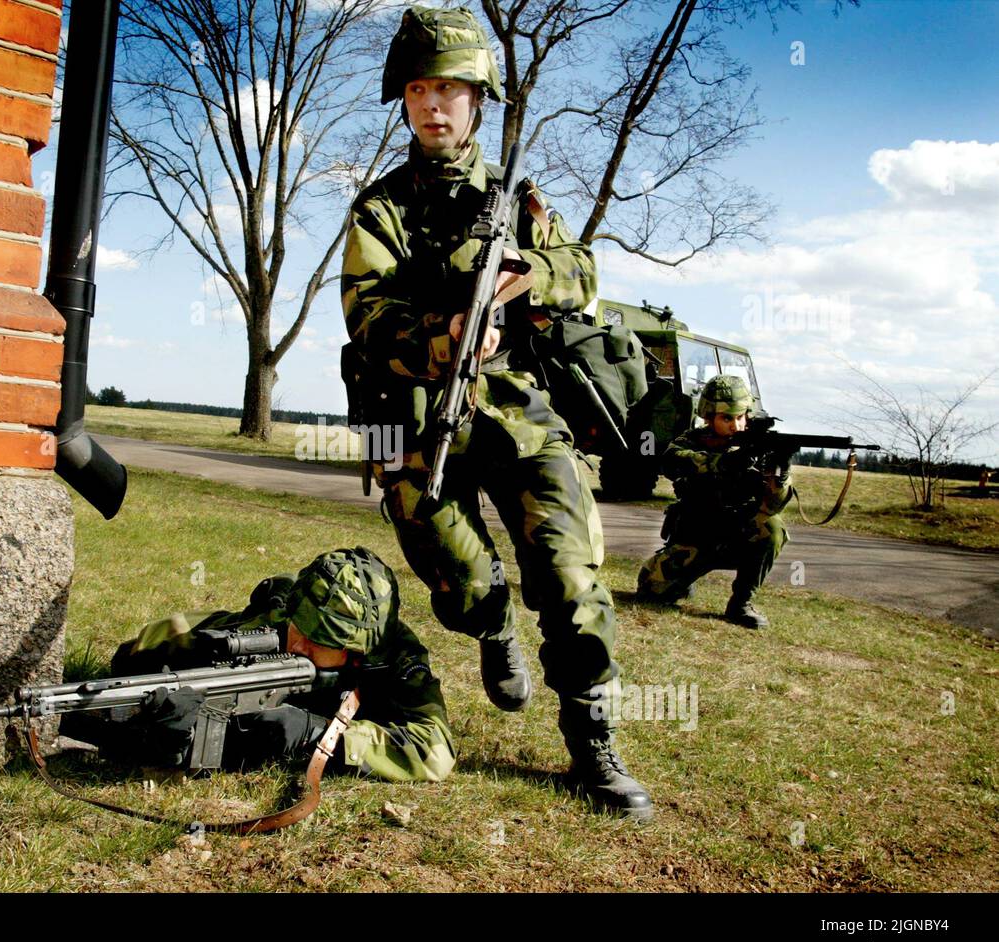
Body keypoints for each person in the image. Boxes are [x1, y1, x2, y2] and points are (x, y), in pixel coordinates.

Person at [339, 5, 651, 821]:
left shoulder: (518, 198)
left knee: (569, 571)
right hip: (413, 413)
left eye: (450, 89)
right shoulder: (380, 210)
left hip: (513, 409)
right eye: (417, 89)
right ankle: (493, 627)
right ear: (401, 101)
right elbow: (365, 317)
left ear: (479, 101)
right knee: (463, 577)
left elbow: (584, 271)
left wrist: (532, 273)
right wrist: (441, 336)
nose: (433, 105)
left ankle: (593, 746)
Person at [68, 546, 455, 782]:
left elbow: (435, 751)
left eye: (317, 641)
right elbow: (145, 646)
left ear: (355, 652)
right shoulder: (275, 624)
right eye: (298, 627)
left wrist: (321, 735)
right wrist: (179, 670)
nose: (297, 643)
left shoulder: (394, 657)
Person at [636, 374, 792, 629]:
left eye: (740, 417)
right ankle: (684, 581)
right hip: (695, 538)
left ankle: (741, 604)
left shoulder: (759, 450)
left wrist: (780, 476)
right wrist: (726, 462)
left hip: (735, 538)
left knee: (773, 528)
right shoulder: (690, 441)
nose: (735, 425)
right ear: (708, 417)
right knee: (651, 592)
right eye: (726, 418)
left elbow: (773, 505)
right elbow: (673, 461)